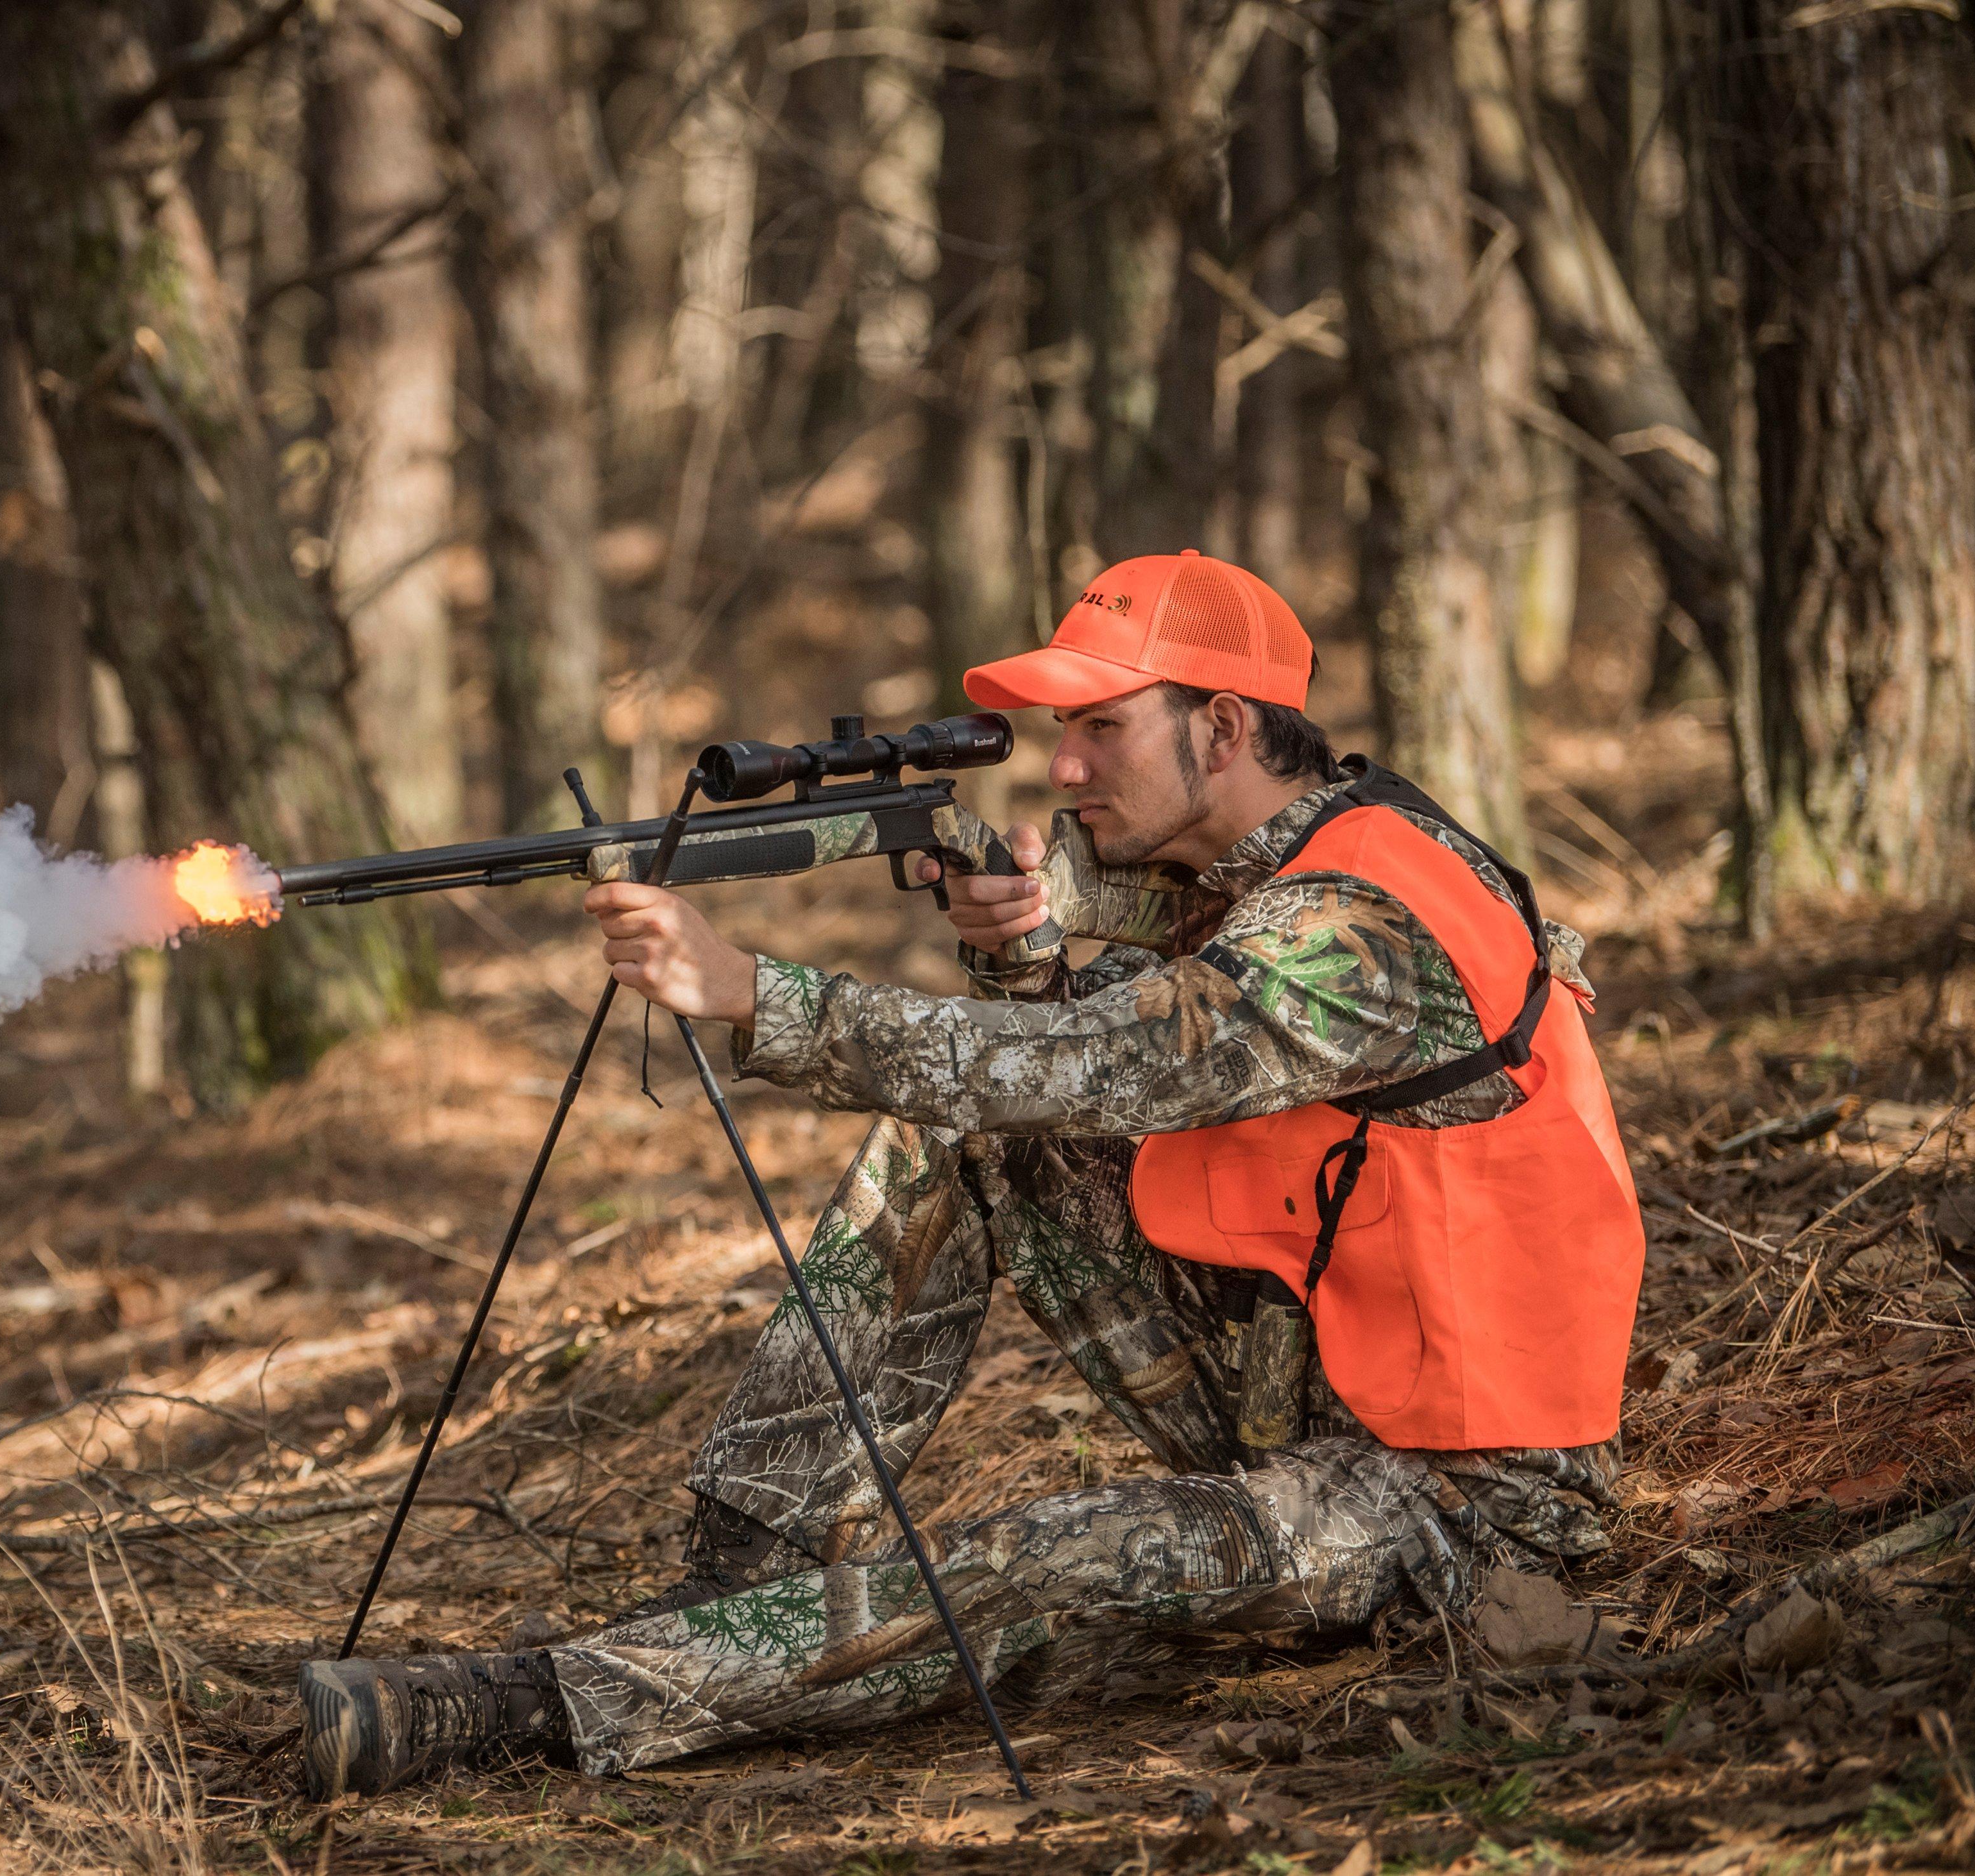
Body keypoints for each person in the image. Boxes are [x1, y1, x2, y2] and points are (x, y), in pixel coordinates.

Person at [297, 550, 1645, 1800]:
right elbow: (1072, 1053)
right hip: (1316, 1390)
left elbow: (1095, 1061)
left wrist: (754, 992)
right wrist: (1017, 935)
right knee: (955, 1138)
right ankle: (726, 1595)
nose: (1064, 768)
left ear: (1224, 730)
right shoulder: (1254, 858)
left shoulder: (1357, 919)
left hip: (1468, 1504)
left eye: (1102, 728)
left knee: (1050, 1552)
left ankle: (547, 1699)